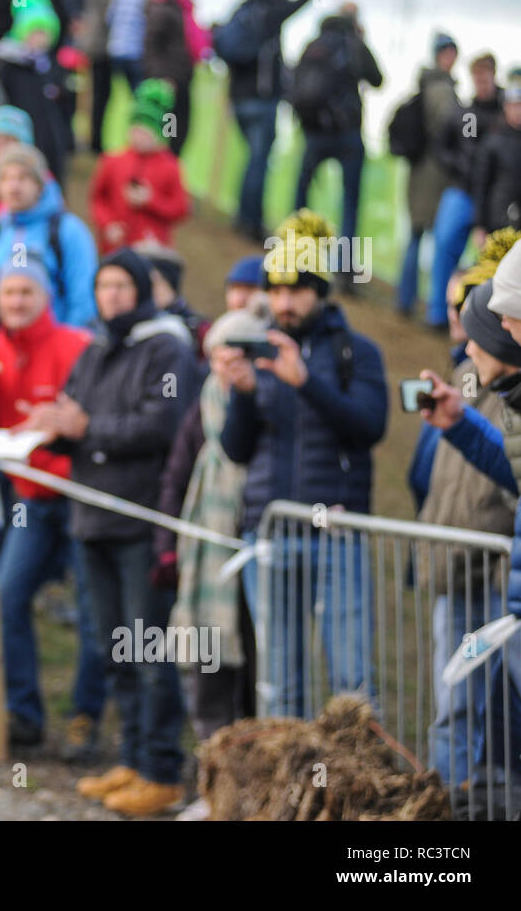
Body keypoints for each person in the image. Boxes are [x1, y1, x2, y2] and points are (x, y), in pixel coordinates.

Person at [30, 247, 197, 817]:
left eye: (123, 285)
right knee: (111, 649)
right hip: (91, 519)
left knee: (149, 651)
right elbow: (74, 412)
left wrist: (87, 427)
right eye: (103, 286)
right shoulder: (96, 348)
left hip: (141, 520)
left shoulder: (168, 347)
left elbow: (163, 423)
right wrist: (49, 427)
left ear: (143, 290)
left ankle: (163, 769)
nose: (112, 296)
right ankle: (128, 758)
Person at [215, 210, 388, 718]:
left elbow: (369, 426)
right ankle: (287, 793)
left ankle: (356, 790)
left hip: (336, 533)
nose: (284, 302)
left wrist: (306, 381)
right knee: (277, 682)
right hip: (269, 532)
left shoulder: (358, 352)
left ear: (320, 289)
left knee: (351, 681)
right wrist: (244, 394)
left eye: (297, 289)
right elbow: (236, 449)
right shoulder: (259, 349)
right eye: (275, 289)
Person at [0, 259, 104, 753]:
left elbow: (91, 422)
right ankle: (22, 714)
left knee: (92, 610)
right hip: (31, 502)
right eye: (8, 293)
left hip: (81, 498)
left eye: (26, 292)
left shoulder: (78, 347)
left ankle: (87, 715)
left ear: (46, 298)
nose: (16, 302)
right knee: (7, 596)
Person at [410, 274, 519, 790]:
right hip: (469, 579)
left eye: (476, 331)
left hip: (496, 584)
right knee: (459, 704)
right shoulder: (498, 393)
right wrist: (459, 423)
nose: (467, 346)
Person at [155, 300, 271, 748]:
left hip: (251, 556)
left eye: (234, 358)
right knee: (208, 674)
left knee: (255, 670)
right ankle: (213, 769)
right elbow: (177, 477)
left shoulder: (265, 405)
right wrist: (167, 546)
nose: (224, 368)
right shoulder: (202, 407)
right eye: (217, 358)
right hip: (207, 563)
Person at [219, 0, 314, 241]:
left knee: (252, 159)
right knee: (259, 161)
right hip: (262, 101)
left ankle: (242, 215)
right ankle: (251, 222)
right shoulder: (272, 12)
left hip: (238, 101)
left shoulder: (242, 10)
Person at [290, 3, 382, 268]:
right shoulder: (354, 45)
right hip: (348, 134)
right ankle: (345, 268)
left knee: (302, 192)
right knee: (350, 200)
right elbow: (377, 79)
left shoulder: (314, 44)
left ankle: (293, 250)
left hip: (314, 133)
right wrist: (362, 41)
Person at [0, 142, 99, 328]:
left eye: (23, 177)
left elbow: (83, 297)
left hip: (56, 343)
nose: (13, 186)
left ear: (40, 185)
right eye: (4, 178)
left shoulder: (68, 230)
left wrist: (67, 346)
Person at [428, 54, 502, 326]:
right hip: (462, 190)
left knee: (491, 257)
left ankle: (483, 319)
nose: (481, 83)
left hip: (495, 197)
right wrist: (458, 165)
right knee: (445, 243)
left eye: (485, 77)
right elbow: (443, 145)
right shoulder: (467, 113)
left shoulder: (504, 113)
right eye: (477, 78)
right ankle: (439, 312)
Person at [397, 32, 461, 322]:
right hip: (435, 174)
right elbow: (451, 127)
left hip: (420, 170)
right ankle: (433, 307)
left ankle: (407, 298)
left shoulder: (426, 84)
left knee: (416, 235)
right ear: (444, 55)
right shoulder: (442, 89)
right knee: (434, 238)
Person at [89, 78, 189, 254]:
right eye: (136, 130)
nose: (139, 137)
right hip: (114, 247)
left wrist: (151, 201)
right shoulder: (112, 160)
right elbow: (98, 198)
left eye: (146, 132)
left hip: (152, 250)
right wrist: (108, 224)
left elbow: (180, 208)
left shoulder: (170, 166)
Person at [0, 0, 73, 181]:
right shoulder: (7, 64)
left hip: (49, 139)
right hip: (21, 137)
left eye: (45, 33)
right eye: (35, 32)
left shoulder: (49, 66)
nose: (40, 38)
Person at [141, 0, 209, 155]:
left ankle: (168, 171)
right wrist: (161, 77)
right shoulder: (162, 7)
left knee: (180, 131)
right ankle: (160, 170)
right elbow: (152, 45)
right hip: (166, 84)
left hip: (182, 80)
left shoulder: (184, 7)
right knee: (167, 131)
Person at [471, 70, 521, 238]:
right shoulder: (492, 140)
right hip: (497, 223)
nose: (517, 111)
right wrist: (479, 225)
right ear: (505, 107)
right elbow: (481, 184)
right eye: (513, 106)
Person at [79, 0, 120, 154]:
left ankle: (93, 140)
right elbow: (105, 1)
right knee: (99, 92)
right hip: (99, 40)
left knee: (98, 92)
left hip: (97, 38)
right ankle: (93, 142)